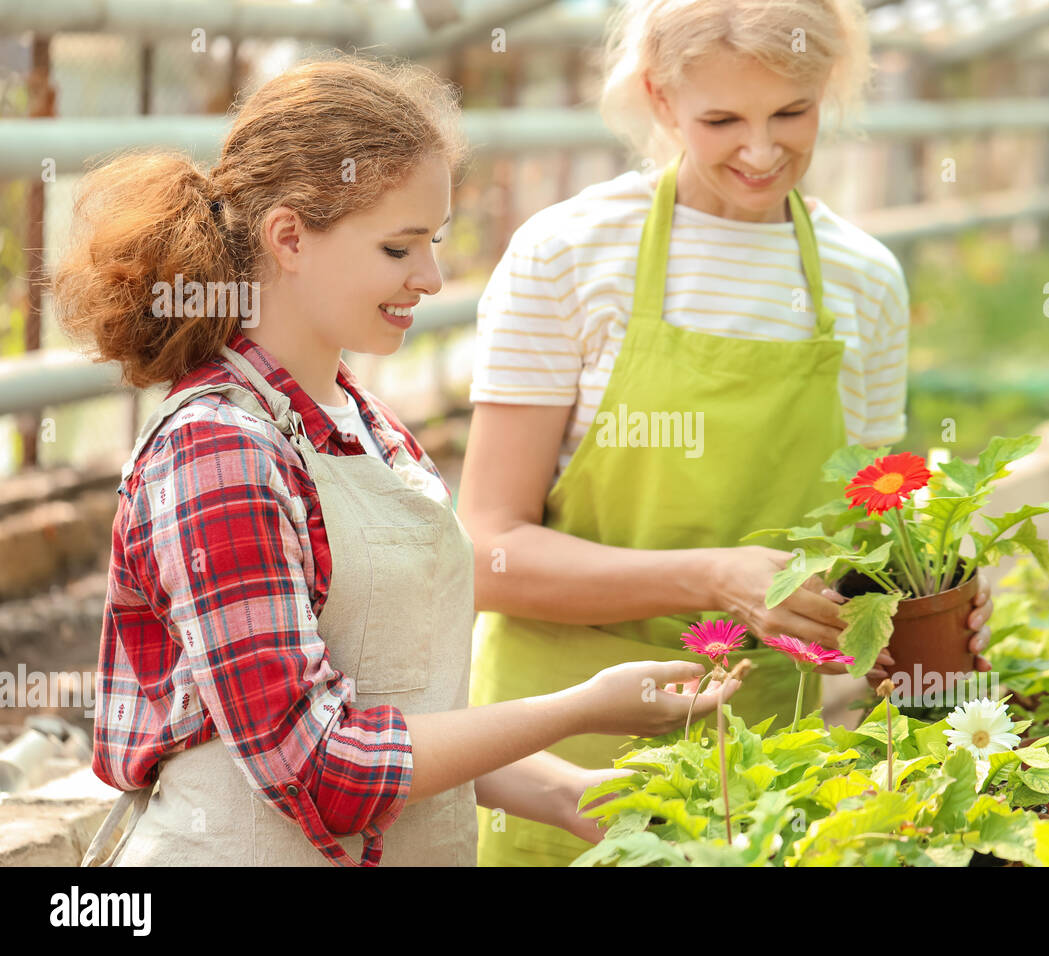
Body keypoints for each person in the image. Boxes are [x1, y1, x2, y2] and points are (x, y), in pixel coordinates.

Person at [54, 56, 740, 868]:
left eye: (435, 241)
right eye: (397, 247)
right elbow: (321, 770)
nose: (431, 276)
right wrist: (578, 707)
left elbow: (393, 711)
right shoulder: (218, 450)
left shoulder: (366, 423)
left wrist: (567, 793)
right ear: (288, 237)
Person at [460, 0, 994, 867]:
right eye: (721, 120)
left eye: (791, 112)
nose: (759, 149)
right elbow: (485, 555)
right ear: (660, 102)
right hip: (567, 743)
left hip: (772, 755)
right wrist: (716, 578)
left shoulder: (865, 279)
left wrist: (928, 591)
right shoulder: (567, 254)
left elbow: (866, 519)